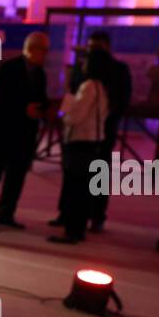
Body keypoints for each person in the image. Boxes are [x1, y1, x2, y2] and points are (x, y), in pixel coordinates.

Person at [0, 31, 50, 231]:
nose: (46, 54)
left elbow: (41, 98)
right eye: (44, 50)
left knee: (15, 178)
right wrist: (24, 109)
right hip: (0, 134)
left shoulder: (40, 73)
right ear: (32, 49)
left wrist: (43, 108)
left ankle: (6, 213)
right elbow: (0, 100)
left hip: (23, 136)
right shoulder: (9, 69)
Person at [50, 47, 113, 245]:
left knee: (76, 188)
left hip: (81, 141)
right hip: (93, 142)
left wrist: (65, 111)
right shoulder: (102, 87)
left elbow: (75, 116)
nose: (82, 65)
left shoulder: (88, 87)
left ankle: (73, 230)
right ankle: (77, 228)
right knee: (84, 188)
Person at [83, 31, 131, 232]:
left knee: (99, 172)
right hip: (83, 129)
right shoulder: (84, 67)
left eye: (97, 48)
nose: (93, 52)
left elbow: (123, 99)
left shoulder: (119, 70)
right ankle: (70, 213)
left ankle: (97, 215)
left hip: (105, 129)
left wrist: (109, 116)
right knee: (78, 172)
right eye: (91, 47)